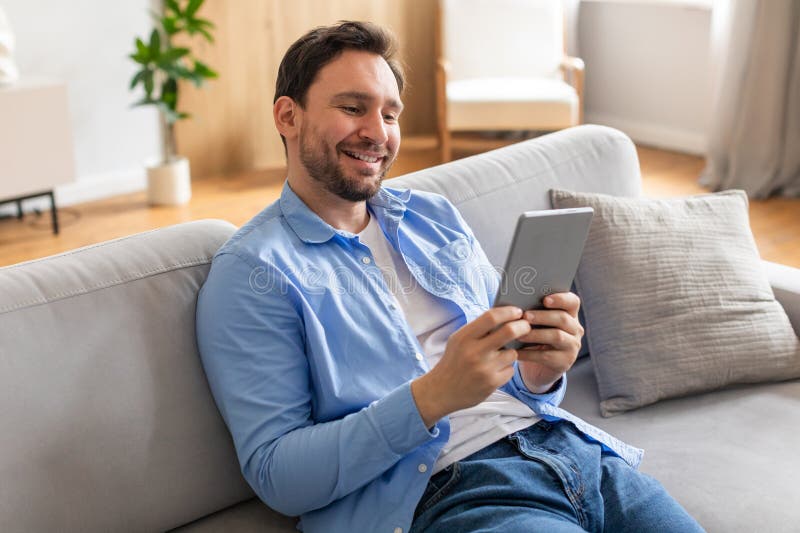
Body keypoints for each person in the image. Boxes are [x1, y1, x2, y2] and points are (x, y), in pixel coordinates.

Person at [196, 21, 704, 533]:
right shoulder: (254, 271)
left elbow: (513, 376)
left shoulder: (432, 217)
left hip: (575, 454)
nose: (377, 132)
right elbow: (279, 476)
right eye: (352, 108)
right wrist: (432, 396)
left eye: (390, 114)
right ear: (288, 115)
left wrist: (542, 371)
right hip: (453, 492)